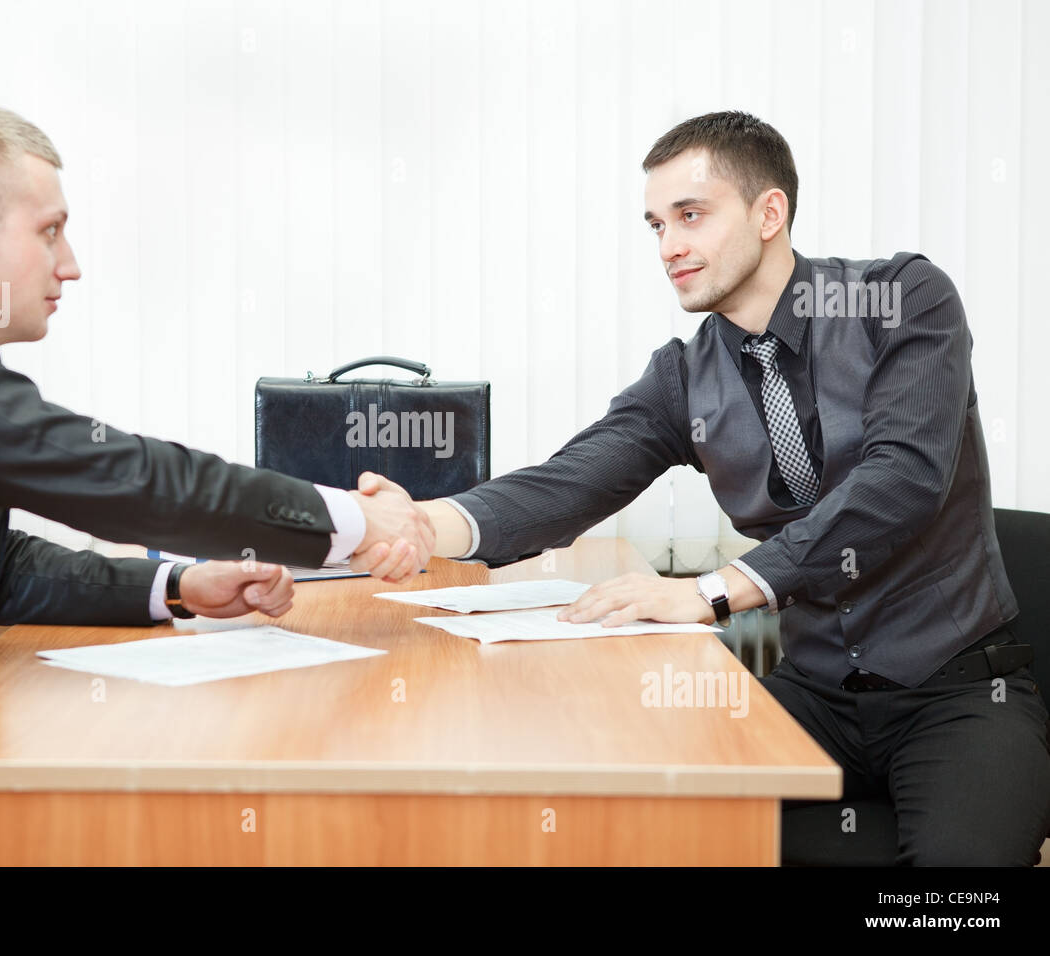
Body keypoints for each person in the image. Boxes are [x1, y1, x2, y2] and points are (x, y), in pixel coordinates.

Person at [359, 110, 1050, 865]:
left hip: (958, 695)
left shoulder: (902, 300)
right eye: (656, 224)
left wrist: (715, 590)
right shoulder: (685, 377)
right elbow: (567, 484)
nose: (669, 246)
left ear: (769, 212)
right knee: (642, 829)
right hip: (814, 695)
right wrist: (427, 523)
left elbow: (902, 480)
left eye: (691, 215)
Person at [0, 101, 432, 863]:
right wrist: (350, 520)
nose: (68, 263)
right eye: (49, 231)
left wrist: (176, 585)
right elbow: (113, 473)